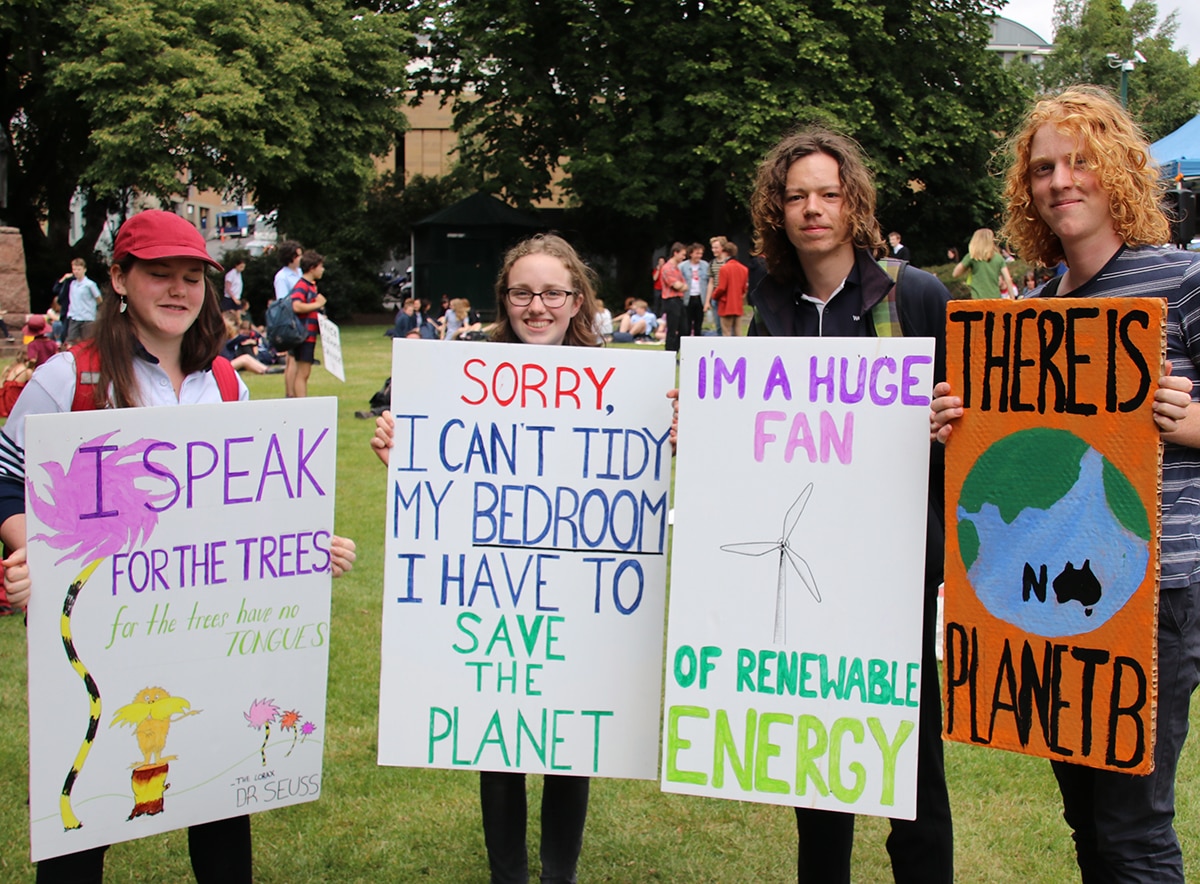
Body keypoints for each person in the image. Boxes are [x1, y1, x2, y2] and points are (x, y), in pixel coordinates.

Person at [0, 209, 356, 883]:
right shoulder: (69, 377)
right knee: (86, 805)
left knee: (215, 793)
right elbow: (6, 478)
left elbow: (244, 505)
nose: (178, 290)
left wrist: (304, 546)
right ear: (119, 278)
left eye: (192, 277)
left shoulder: (223, 381)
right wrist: (34, 557)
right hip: (102, 627)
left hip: (202, 627)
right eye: (158, 273)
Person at [933, 84, 1200, 884]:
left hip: (1153, 598)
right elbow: (1023, 454)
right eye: (1044, 168)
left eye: (1080, 161)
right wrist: (958, 423)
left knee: (1132, 828)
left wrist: (1187, 422)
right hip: (1052, 592)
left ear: (1117, 169)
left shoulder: (1182, 280)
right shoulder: (1038, 308)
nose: (1061, 181)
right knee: (1086, 818)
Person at [742, 127, 954, 883]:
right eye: (797, 196)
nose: (813, 209)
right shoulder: (763, 307)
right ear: (777, 209)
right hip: (803, 565)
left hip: (894, 566)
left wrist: (944, 423)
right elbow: (741, 431)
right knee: (817, 764)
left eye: (828, 194)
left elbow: (968, 421)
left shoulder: (914, 294)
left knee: (912, 765)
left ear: (852, 202)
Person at [371, 233, 601, 884]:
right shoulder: (464, 371)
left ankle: (559, 874)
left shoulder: (610, 379)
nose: (537, 306)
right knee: (496, 737)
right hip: (490, 582)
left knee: (568, 737)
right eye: (522, 293)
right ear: (504, 298)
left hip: (572, 584)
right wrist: (402, 454)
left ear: (575, 299)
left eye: (552, 293)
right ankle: (509, 875)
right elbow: (442, 474)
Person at [285, 251, 327, 399]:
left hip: (309, 335)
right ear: (312, 268)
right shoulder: (302, 285)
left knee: (304, 371)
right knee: (303, 372)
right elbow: (296, 306)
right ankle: (302, 403)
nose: (322, 270)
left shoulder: (311, 286)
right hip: (303, 335)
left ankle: (299, 401)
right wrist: (317, 304)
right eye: (320, 266)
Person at [952, 228, 1013, 299]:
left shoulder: (972, 257)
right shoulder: (998, 258)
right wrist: (1012, 298)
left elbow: (955, 274)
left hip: (978, 299)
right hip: (995, 299)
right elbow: (1008, 279)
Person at [61, 258, 103, 345]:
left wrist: (92, 308)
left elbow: (99, 298)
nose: (76, 272)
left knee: (87, 341)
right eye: (74, 269)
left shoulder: (90, 284)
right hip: (74, 316)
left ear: (84, 270)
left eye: (79, 269)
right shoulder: (72, 284)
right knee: (70, 341)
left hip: (87, 317)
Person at [712, 241, 748, 337]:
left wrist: (714, 296)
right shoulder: (744, 269)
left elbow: (721, 288)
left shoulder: (724, 268)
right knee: (738, 332)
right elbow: (744, 289)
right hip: (738, 305)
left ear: (725, 252)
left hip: (726, 305)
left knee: (726, 332)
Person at [659, 243, 687, 352]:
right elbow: (677, 285)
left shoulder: (677, 268)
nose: (684, 257)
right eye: (682, 254)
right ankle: (670, 353)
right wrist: (682, 286)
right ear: (675, 253)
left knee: (684, 329)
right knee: (672, 329)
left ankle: (676, 350)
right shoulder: (667, 268)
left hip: (679, 300)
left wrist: (682, 286)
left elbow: (684, 285)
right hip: (671, 300)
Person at [681, 242, 709, 337]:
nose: (699, 256)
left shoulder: (705, 265)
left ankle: (697, 343)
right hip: (687, 298)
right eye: (697, 253)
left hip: (700, 297)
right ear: (691, 254)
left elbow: (709, 282)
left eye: (701, 253)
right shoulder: (683, 266)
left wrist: (707, 302)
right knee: (687, 324)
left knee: (698, 324)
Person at [707, 236, 730, 335]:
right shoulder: (712, 263)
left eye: (716, 247)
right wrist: (707, 301)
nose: (714, 250)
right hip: (716, 296)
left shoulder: (729, 262)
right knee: (718, 325)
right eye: (712, 248)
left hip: (726, 296)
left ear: (723, 248)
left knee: (727, 325)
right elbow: (711, 282)